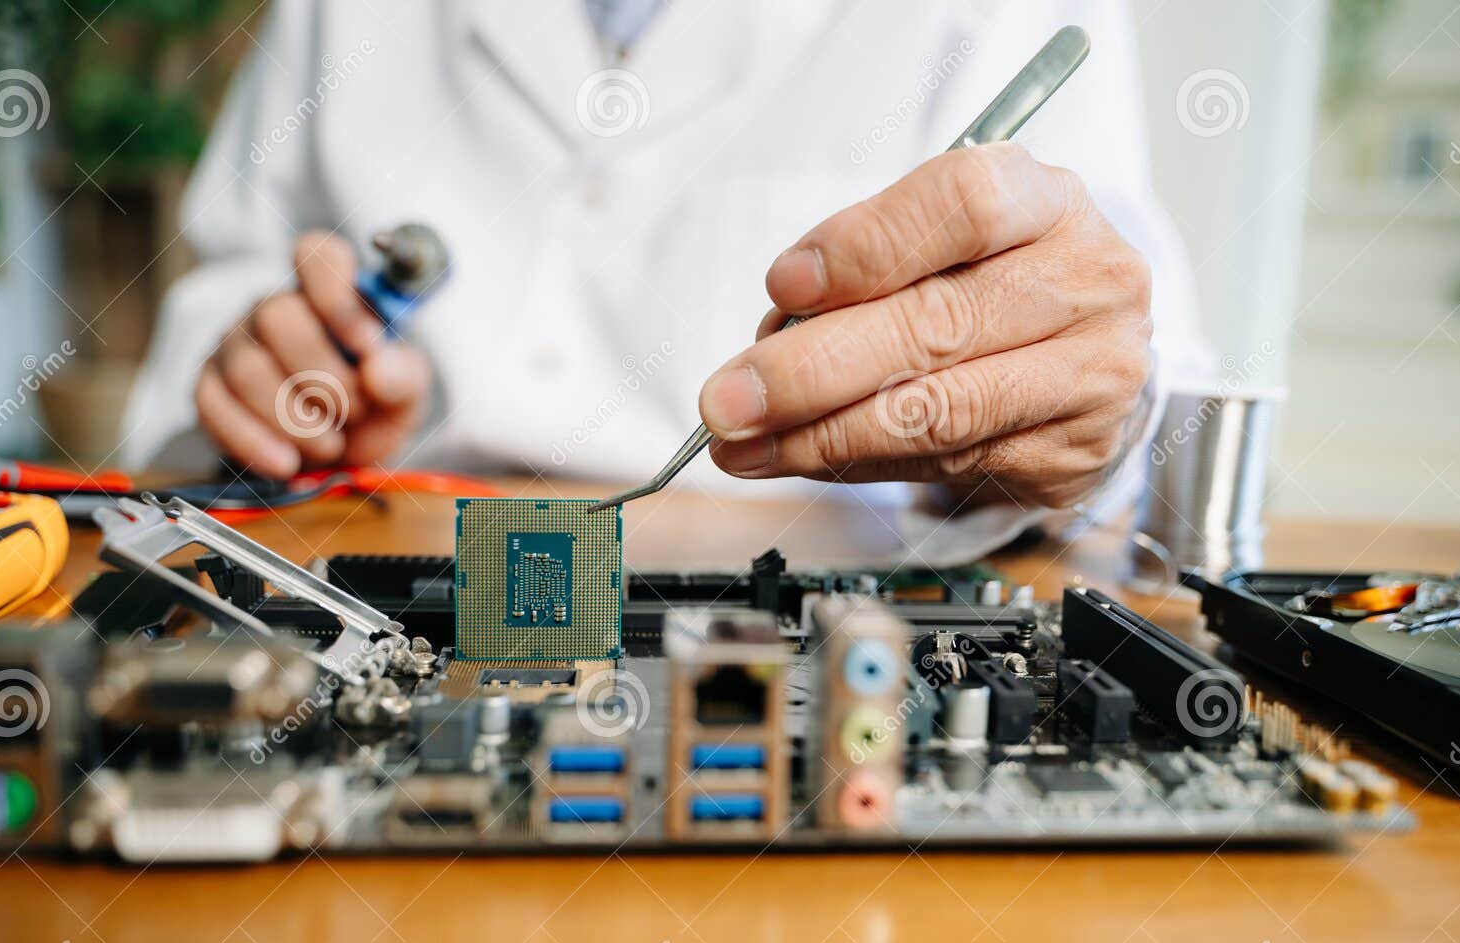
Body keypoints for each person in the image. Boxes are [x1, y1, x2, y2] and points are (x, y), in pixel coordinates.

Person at [122, 0, 1210, 561]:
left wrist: (1058, 424)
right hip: (373, 569)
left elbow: (1131, 389)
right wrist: (273, 385)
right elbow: (223, 314)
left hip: (836, 613)